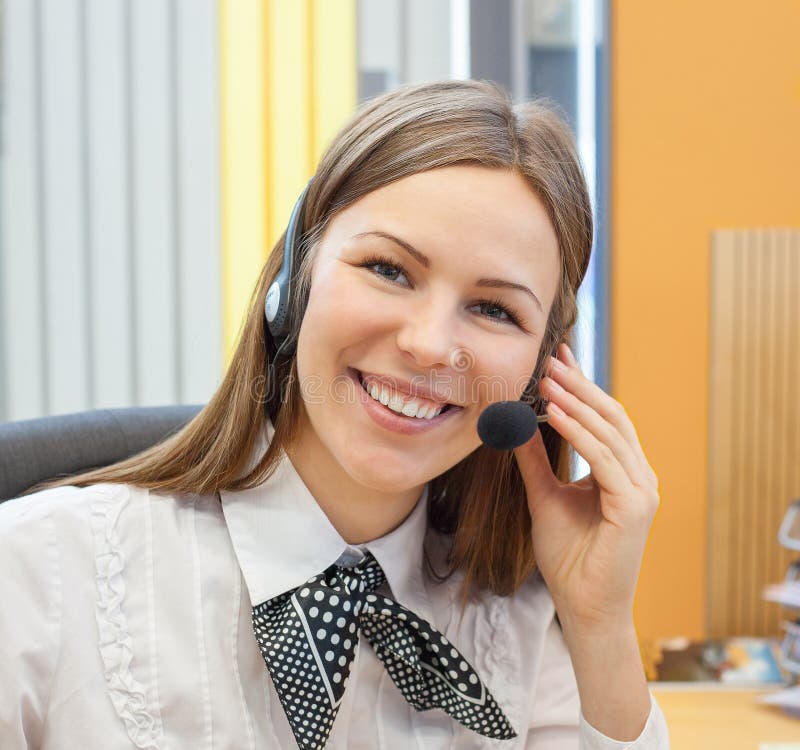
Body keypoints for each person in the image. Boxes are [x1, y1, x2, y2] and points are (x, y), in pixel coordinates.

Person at [0, 79, 670, 749]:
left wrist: (599, 625)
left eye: (495, 310)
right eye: (388, 269)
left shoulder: (517, 625)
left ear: (538, 375)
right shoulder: (38, 571)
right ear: (298, 276)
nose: (429, 344)